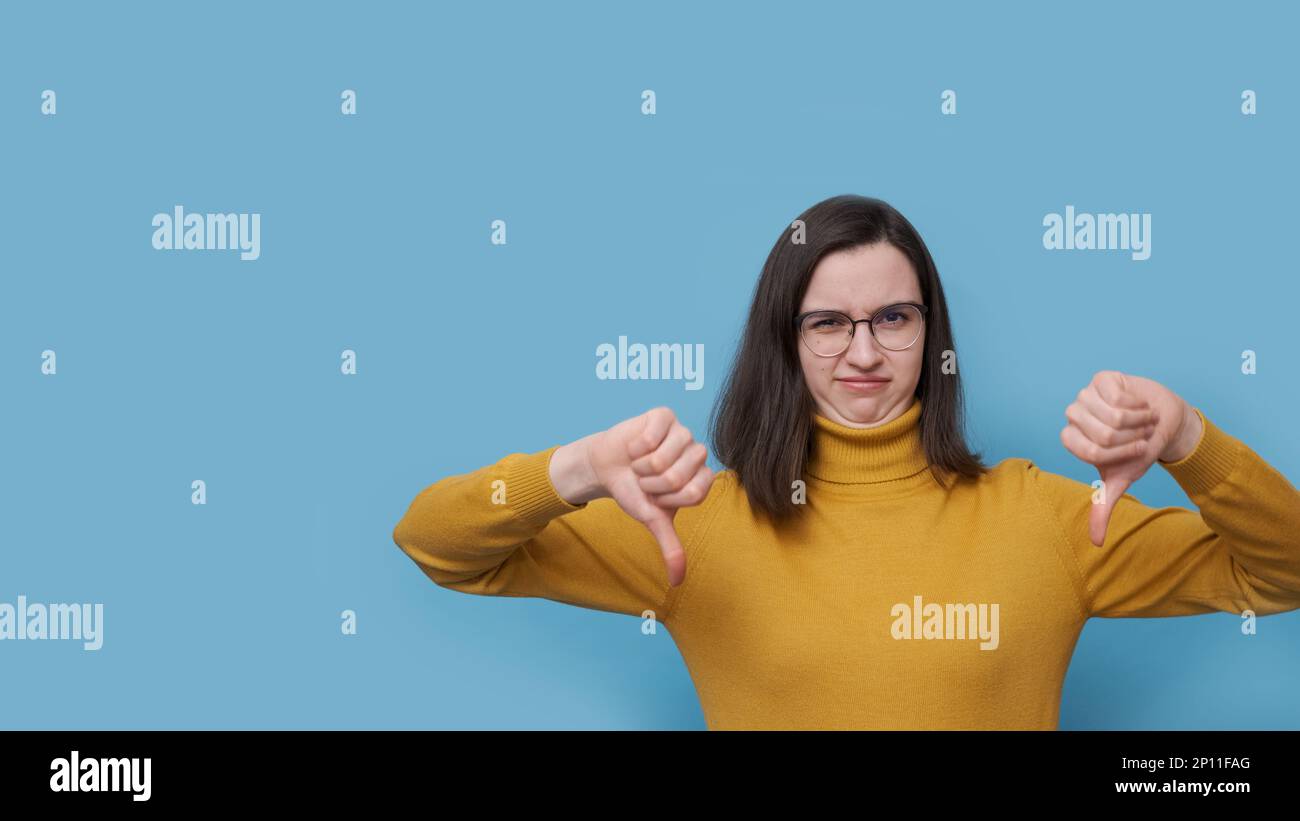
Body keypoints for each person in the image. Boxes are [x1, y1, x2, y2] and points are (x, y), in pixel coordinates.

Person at [391, 194, 1300, 730]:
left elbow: (1285, 571)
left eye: (894, 318)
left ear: (931, 335)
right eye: (828, 321)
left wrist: (1187, 437)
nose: (863, 351)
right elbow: (435, 542)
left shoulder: (1046, 519)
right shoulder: (694, 524)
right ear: (783, 341)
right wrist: (577, 467)